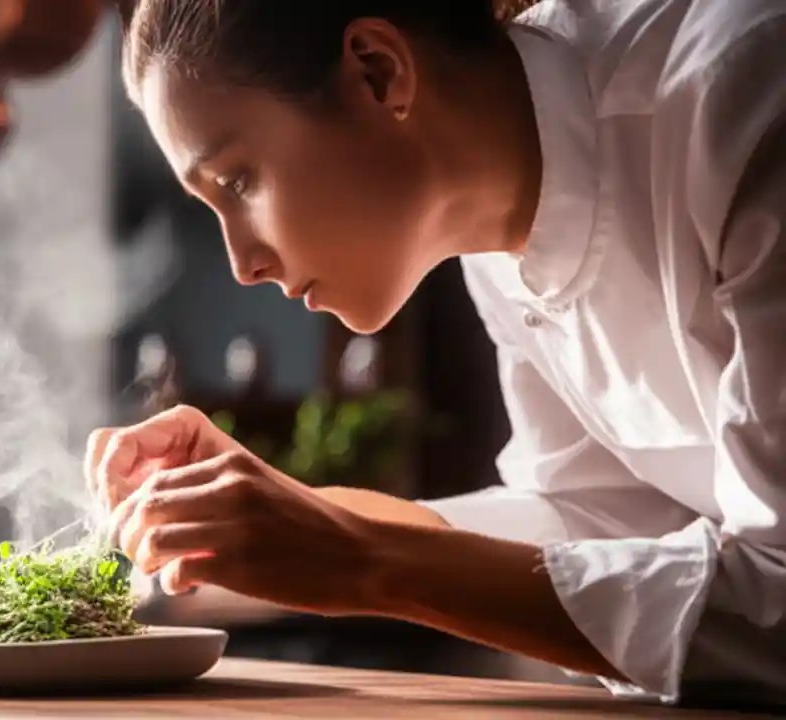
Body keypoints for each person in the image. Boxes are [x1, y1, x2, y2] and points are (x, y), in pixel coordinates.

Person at [85, 0, 786, 707]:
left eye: (237, 181)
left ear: (377, 71)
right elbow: (592, 517)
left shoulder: (746, 91)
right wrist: (288, 519)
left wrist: (365, 563)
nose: (242, 265)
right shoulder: (492, 237)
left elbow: (774, 601)